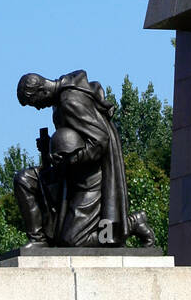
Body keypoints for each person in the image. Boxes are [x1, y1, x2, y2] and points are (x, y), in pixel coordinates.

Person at [13, 70, 155, 249]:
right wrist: (50, 148)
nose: (37, 108)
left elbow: (100, 140)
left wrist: (70, 159)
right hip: (70, 172)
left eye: (34, 103)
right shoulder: (59, 102)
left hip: (90, 177)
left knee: (74, 241)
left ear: (42, 91)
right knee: (24, 180)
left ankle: (130, 224)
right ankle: (39, 239)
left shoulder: (69, 101)